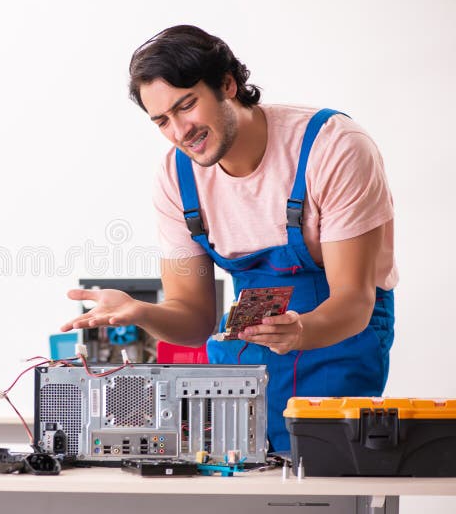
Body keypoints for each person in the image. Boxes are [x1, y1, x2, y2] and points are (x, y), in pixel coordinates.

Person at [60, 25, 397, 452]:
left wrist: (301, 331)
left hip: (338, 341)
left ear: (228, 84)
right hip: (245, 357)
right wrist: (139, 311)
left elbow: (355, 301)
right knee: (235, 479)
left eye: (186, 106)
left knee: (326, 479)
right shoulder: (176, 178)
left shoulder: (331, 147)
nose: (180, 131)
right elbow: (196, 318)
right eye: (162, 121)